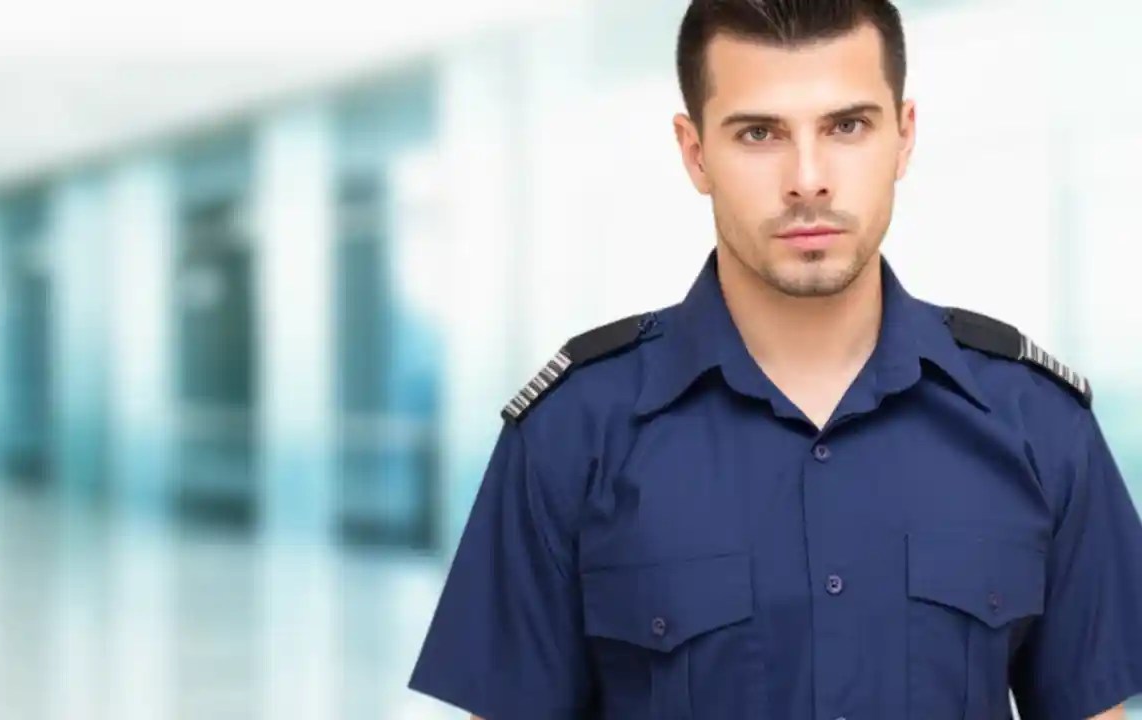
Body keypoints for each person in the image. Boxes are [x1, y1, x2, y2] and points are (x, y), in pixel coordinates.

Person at [408, 0, 1142, 718]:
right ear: (695, 153)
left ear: (905, 136)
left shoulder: (1039, 427)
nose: (808, 178)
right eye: (759, 133)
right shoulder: (569, 435)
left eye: (847, 126)